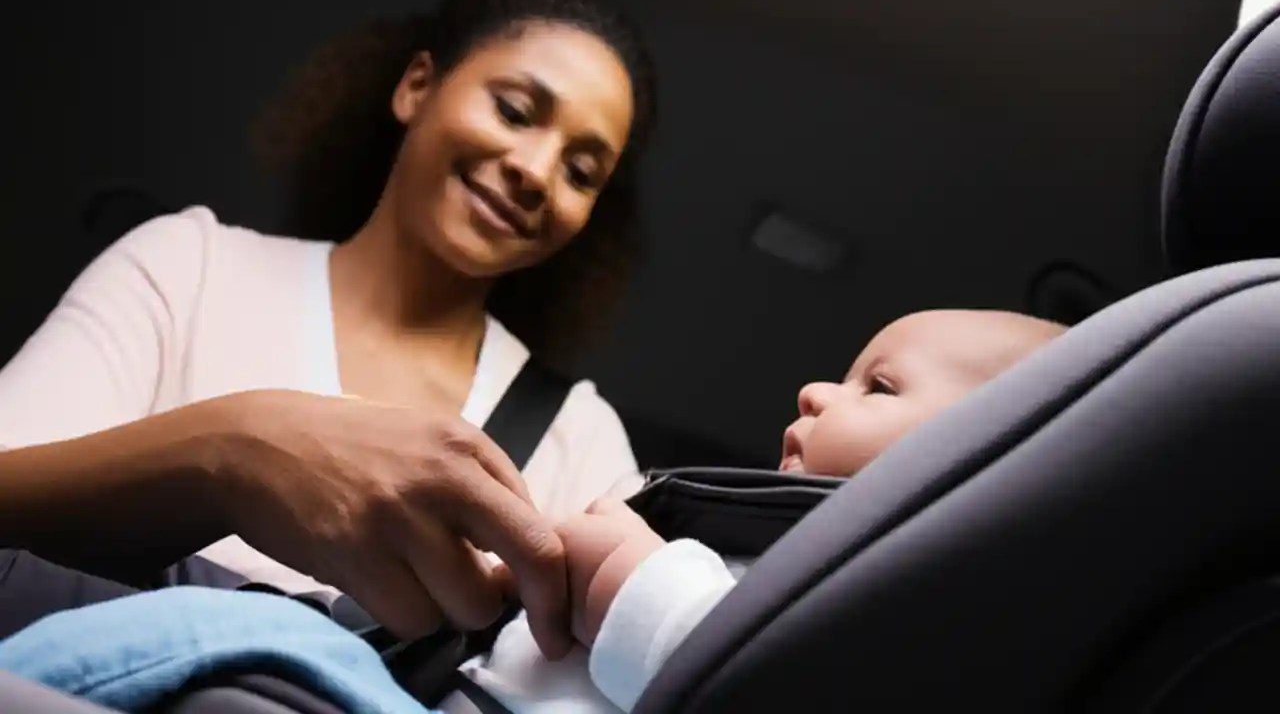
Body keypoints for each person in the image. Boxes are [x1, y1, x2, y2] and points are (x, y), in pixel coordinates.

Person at [0, 0, 657, 659]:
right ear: (417, 86)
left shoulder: (580, 435)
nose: (536, 172)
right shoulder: (189, 267)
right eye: (514, 111)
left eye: (581, 172)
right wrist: (228, 459)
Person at [0, 310, 1067, 713]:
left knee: (245, 637)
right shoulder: (192, 263)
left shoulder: (865, 625)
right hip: (391, 669)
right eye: (517, 110)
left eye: (877, 389)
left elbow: (754, 672)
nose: (813, 393)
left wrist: (621, 576)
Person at [457, 309, 1068, 713]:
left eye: (877, 387)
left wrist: (643, 595)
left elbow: (794, 688)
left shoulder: (909, 618)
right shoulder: (752, 536)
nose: (815, 391)